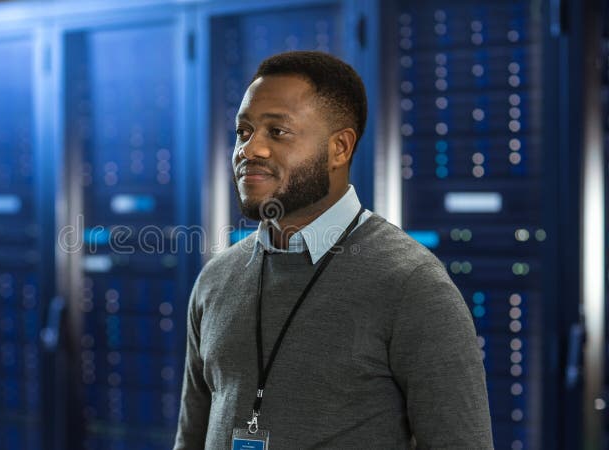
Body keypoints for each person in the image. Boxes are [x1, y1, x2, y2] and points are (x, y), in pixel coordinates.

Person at [174, 51, 492, 449]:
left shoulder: (412, 286)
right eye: (243, 131)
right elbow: (190, 438)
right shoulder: (215, 279)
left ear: (339, 148)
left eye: (277, 132)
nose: (250, 149)